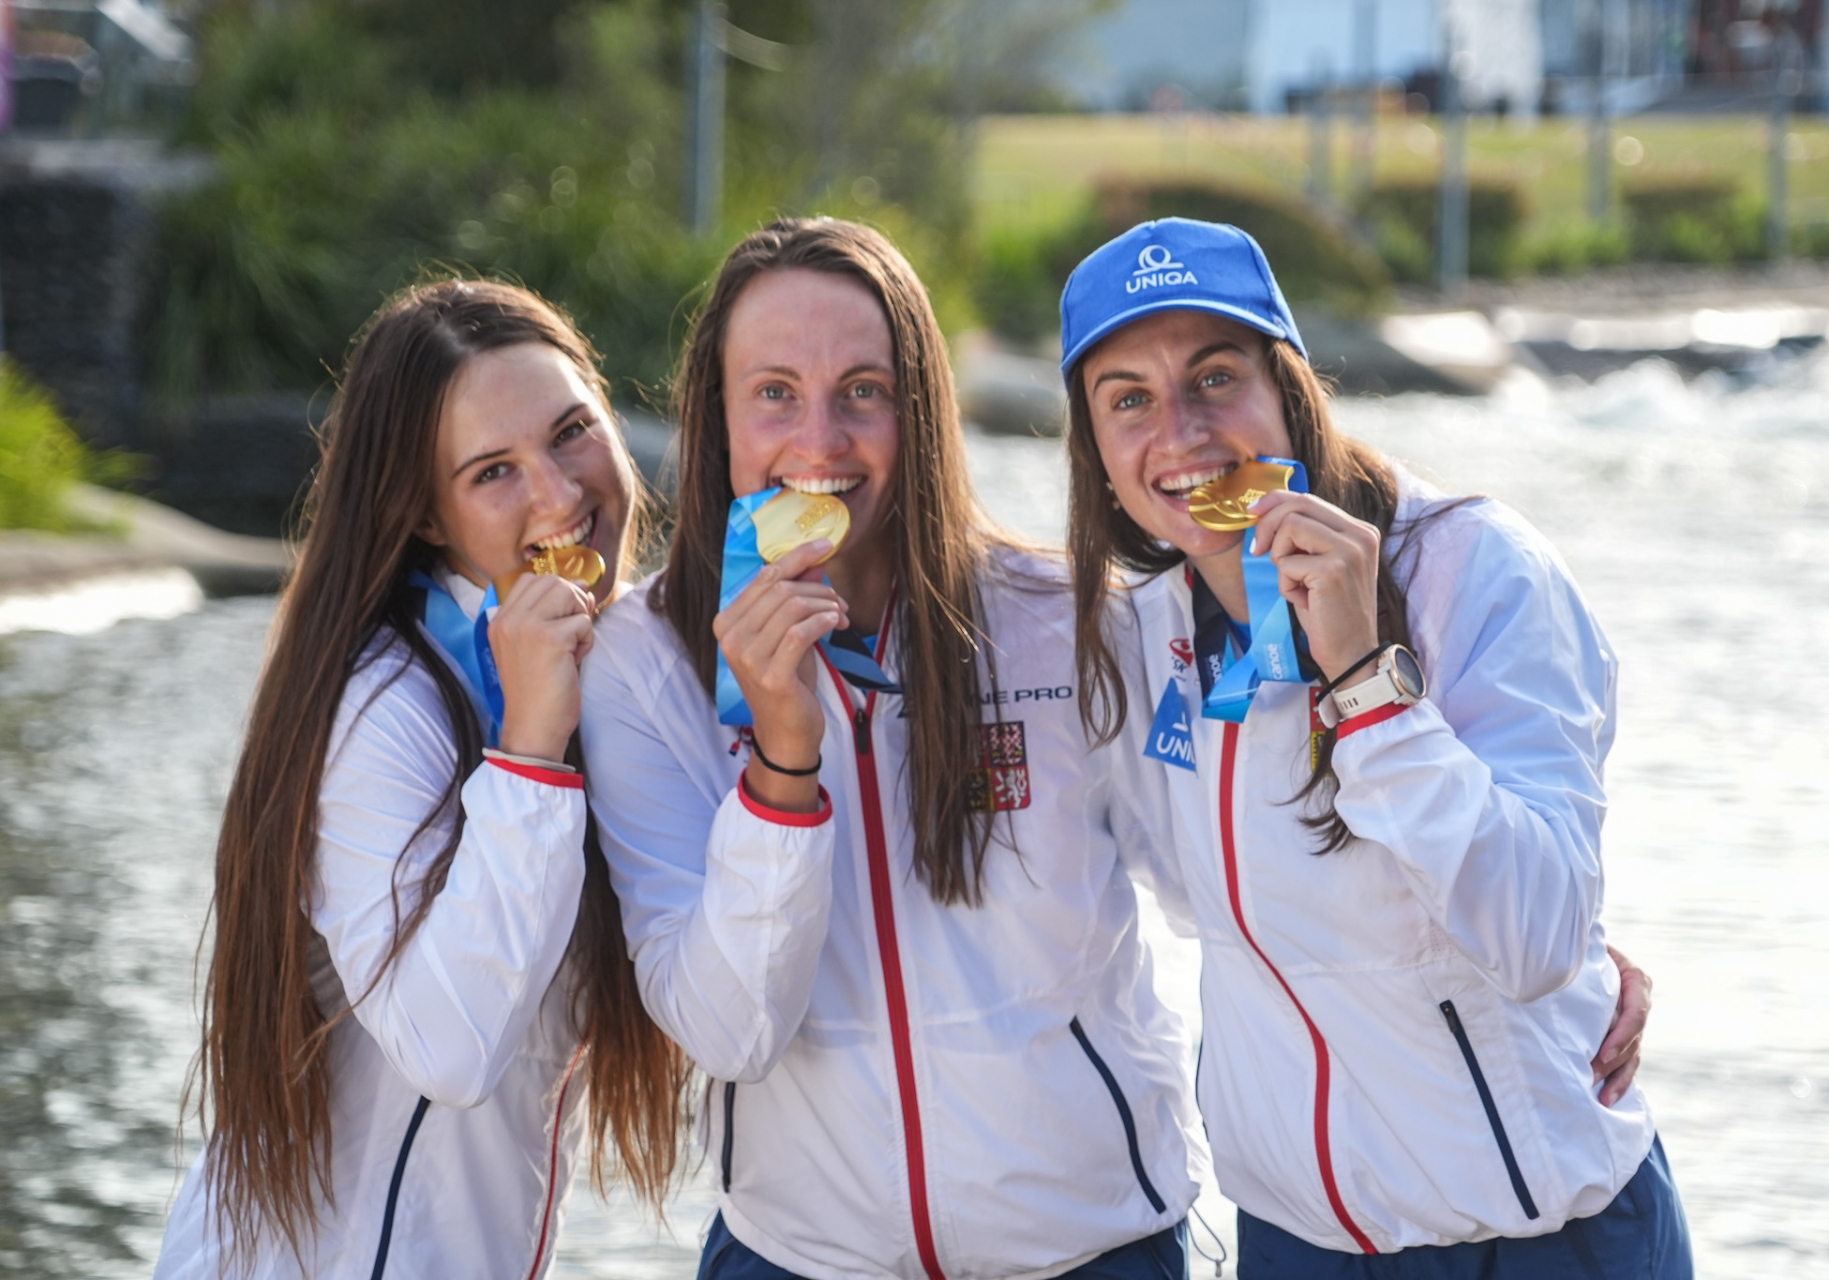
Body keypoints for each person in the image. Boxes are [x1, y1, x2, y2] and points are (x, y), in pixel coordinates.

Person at [1058, 217, 1689, 1278]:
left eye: (1216, 377)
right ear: (1097, 452)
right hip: (1295, 1243)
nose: (1182, 431)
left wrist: (1363, 681)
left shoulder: (1478, 569)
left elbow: (1536, 935)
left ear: (1291, 387)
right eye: (1129, 398)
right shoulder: (1138, 640)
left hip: (1535, 1240)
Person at [578, 218, 1207, 1280]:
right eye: (774, 392)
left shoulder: (1071, 617)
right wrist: (781, 761)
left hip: (1094, 1248)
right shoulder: (643, 662)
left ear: (919, 413)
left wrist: (1535, 981)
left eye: (862, 390)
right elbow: (728, 1033)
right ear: (717, 417)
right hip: (798, 1256)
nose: (819, 442)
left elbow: (1231, 885)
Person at [154, 280, 685, 1279]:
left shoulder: (620, 670)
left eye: (573, 430)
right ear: (427, 518)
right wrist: (528, 751)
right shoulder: (381, 708)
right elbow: (450, 1046)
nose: (561, 495)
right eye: (494, 471)